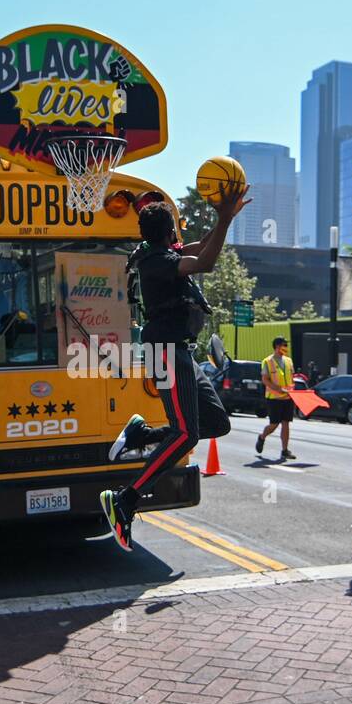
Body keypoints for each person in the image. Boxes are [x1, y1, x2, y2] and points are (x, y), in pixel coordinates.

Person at [99, 183, 250, 551]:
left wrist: (221, 219)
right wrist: (226, 220)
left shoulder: (160, 252)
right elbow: (207, 262)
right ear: (170, 234)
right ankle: (125, 500)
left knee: (216, 423)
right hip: (165, 350)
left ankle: (141, 435)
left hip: (179, 351)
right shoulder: (157, 261)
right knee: (185, 435)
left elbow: (199, 247)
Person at [256, 337, 296, 460]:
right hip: (274, 398)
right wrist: (278, 389)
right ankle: (262, 437)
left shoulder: (288, 361)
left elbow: (292, 377)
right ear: (277, 346)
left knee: (286, 423)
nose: (286, 347)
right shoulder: (267, 361)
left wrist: (292, 391)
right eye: (284, 345)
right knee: (274, 424)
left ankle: (285, 450)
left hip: (288, 397)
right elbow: (265, 379)